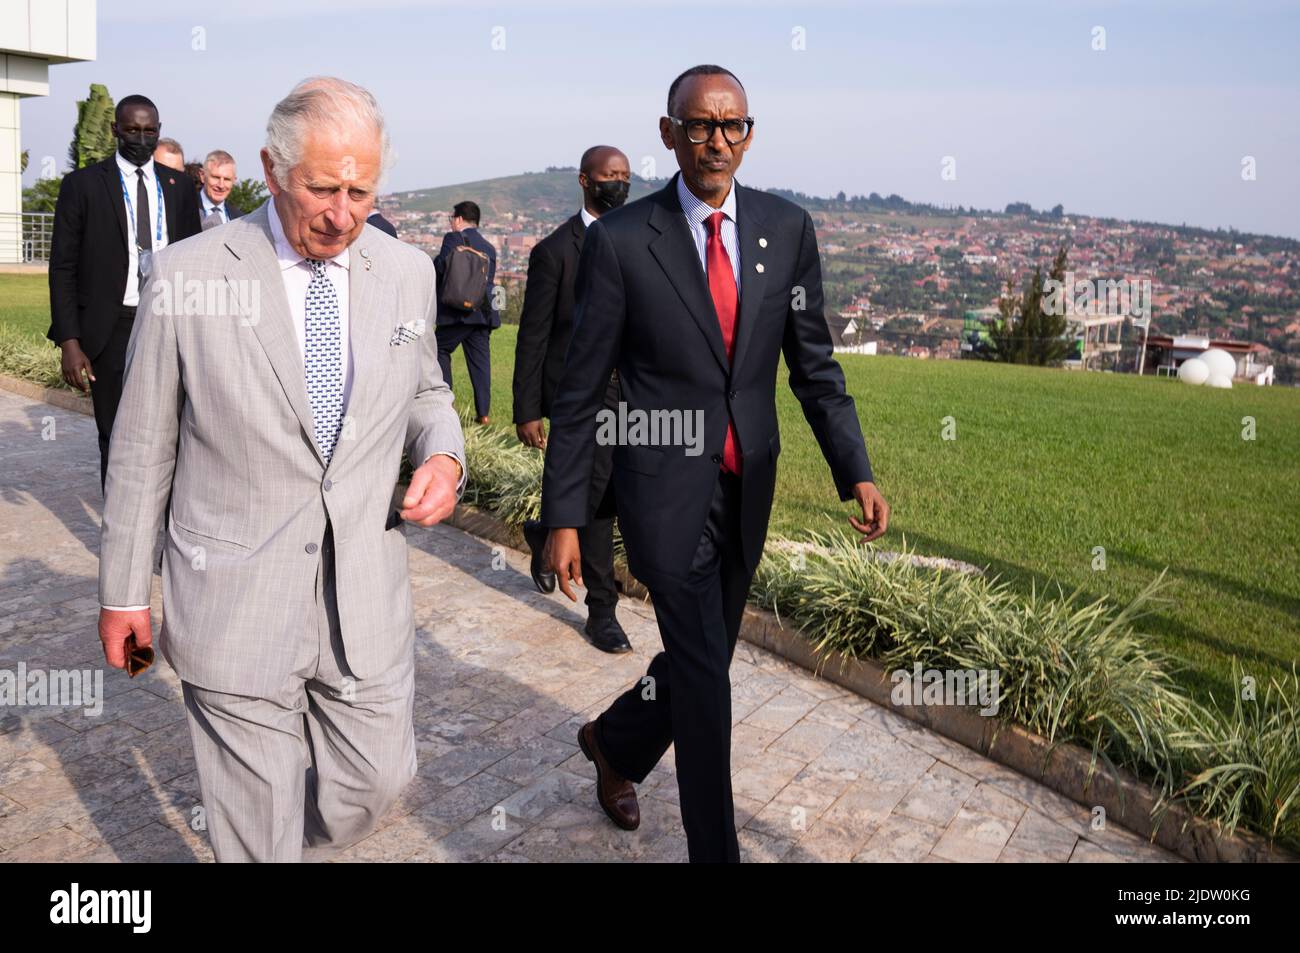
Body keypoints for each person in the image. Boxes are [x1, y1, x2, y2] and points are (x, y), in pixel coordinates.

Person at [96, 77, 467, 863]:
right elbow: (141, 448)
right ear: (273, 170)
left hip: (363, 599)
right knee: (256, 838)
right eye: (323, 188)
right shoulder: (187, 276)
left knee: (375, 781)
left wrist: (443, 452)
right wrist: (125, 592)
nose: (343, 213)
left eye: (361, 191)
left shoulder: (405, 273)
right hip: (233, 599)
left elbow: (427, 388)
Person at [541, 65, 890, 862]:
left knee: (699, 660)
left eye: (732, 125)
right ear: (669, 133)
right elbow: (581, 387)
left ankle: (615, 741)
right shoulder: (623, 242)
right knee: (707, 681)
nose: (717, 141)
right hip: (662, 493)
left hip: (746, 487)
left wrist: (855, 468)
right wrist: (563, 514)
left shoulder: (787, 229)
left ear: (751, 133)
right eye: (699, 126)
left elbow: (814, 365)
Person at [48, 94, 203, 489]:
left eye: (149, 131)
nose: (141, 138)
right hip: (111, 328)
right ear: (116, 130)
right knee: (116, 436)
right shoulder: (83, 186)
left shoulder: (180, 188)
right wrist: (70, 340)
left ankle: (164, 532)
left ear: (159, 132)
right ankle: (121, 533)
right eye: (132, 130)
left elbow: (194, 263)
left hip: (169, 323)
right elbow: (62, 266)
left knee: (174, 434)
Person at [514, 146, 632, 654]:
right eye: (610, 176)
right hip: (579, 399)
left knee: (616, 493)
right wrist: (527, 409)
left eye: (625, 176)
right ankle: (602, 610)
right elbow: (534, 336)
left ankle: (547, 532)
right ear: (585, 181)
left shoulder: (638, 240)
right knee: (601, 500)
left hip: (638, 398)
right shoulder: (555, 250)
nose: (619, 184)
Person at [433, 200, 498, 424]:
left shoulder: (452, 239)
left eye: (452, 219)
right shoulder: (489, 247)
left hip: (456, 312)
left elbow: (442, 267)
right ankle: (484, 414)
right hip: (482, 313)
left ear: (458, 219)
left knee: (439, 349)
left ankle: (446, 403)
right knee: (480, 363)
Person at [198, 149, 243, 229]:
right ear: (202, 176)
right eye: (216, 177)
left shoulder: (240, 219)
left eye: (227, 179)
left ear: (233, 181)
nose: (221, 185)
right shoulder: (182, 210)